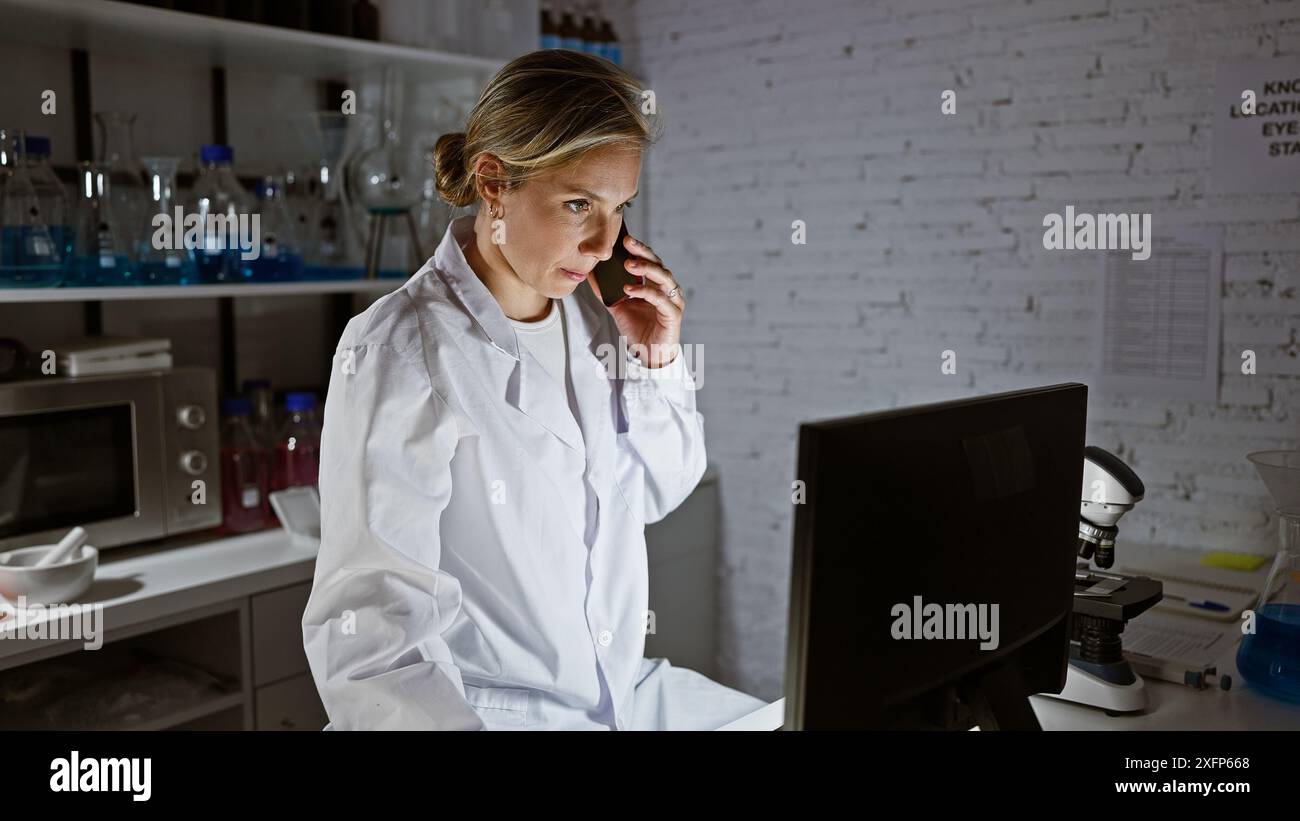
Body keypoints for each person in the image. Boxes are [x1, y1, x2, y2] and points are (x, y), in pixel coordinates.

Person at [301, 49, 767, 730]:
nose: (605, 244)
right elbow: (372, 638)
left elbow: (665, 486)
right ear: (494, 183)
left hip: (615, 698)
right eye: (579, 204)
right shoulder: (403, 346)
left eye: (619, 208)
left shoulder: (595, 322)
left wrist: (658, 358)